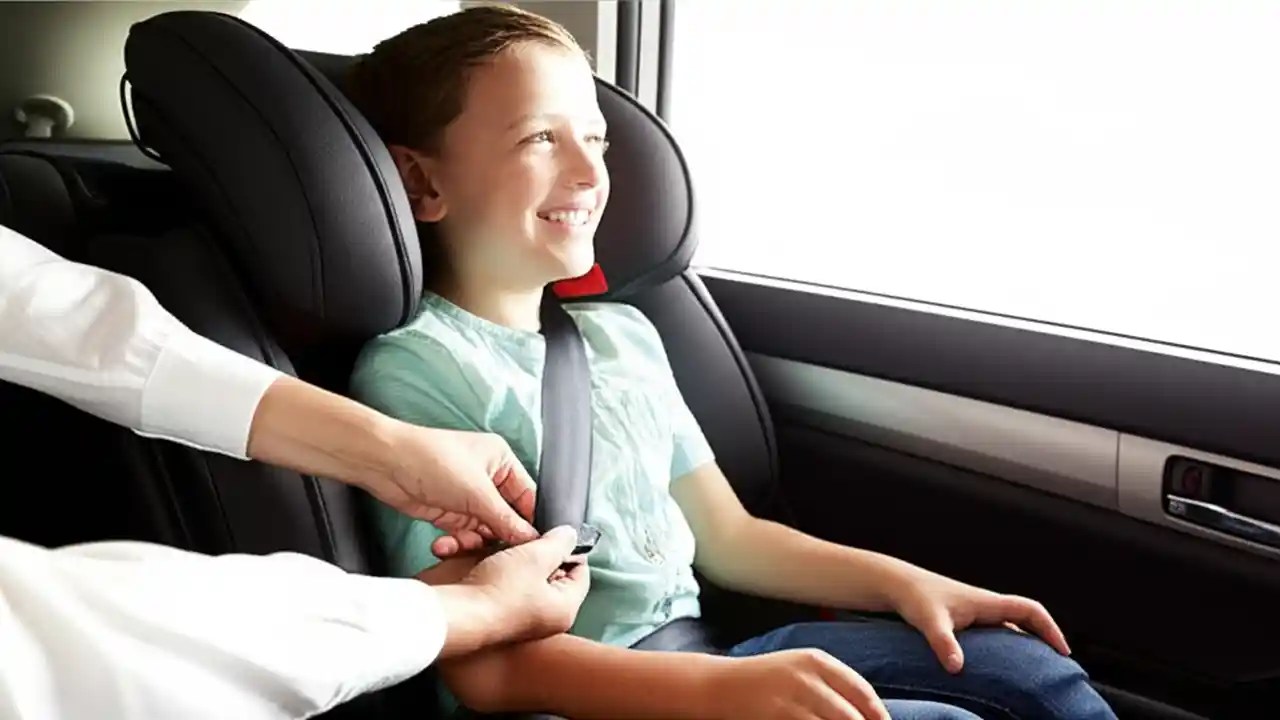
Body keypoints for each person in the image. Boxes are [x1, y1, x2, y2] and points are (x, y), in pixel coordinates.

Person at [344, 6, 1120, 720]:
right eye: (540, 138)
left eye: (596, 138)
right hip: (587, 697)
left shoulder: (619, 337)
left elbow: (729, 538)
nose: (589, 172)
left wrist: (906, 584)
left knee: (1029, 673)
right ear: (423, 181)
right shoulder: (417, 373)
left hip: (707, 652)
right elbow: (484, 669)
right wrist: (720, 689)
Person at [0, 222, 591, 720]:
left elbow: (63, 316)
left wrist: (386, 448)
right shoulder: (418, 367)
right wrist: (467, 612)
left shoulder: (620, 334)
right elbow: (79, 655)